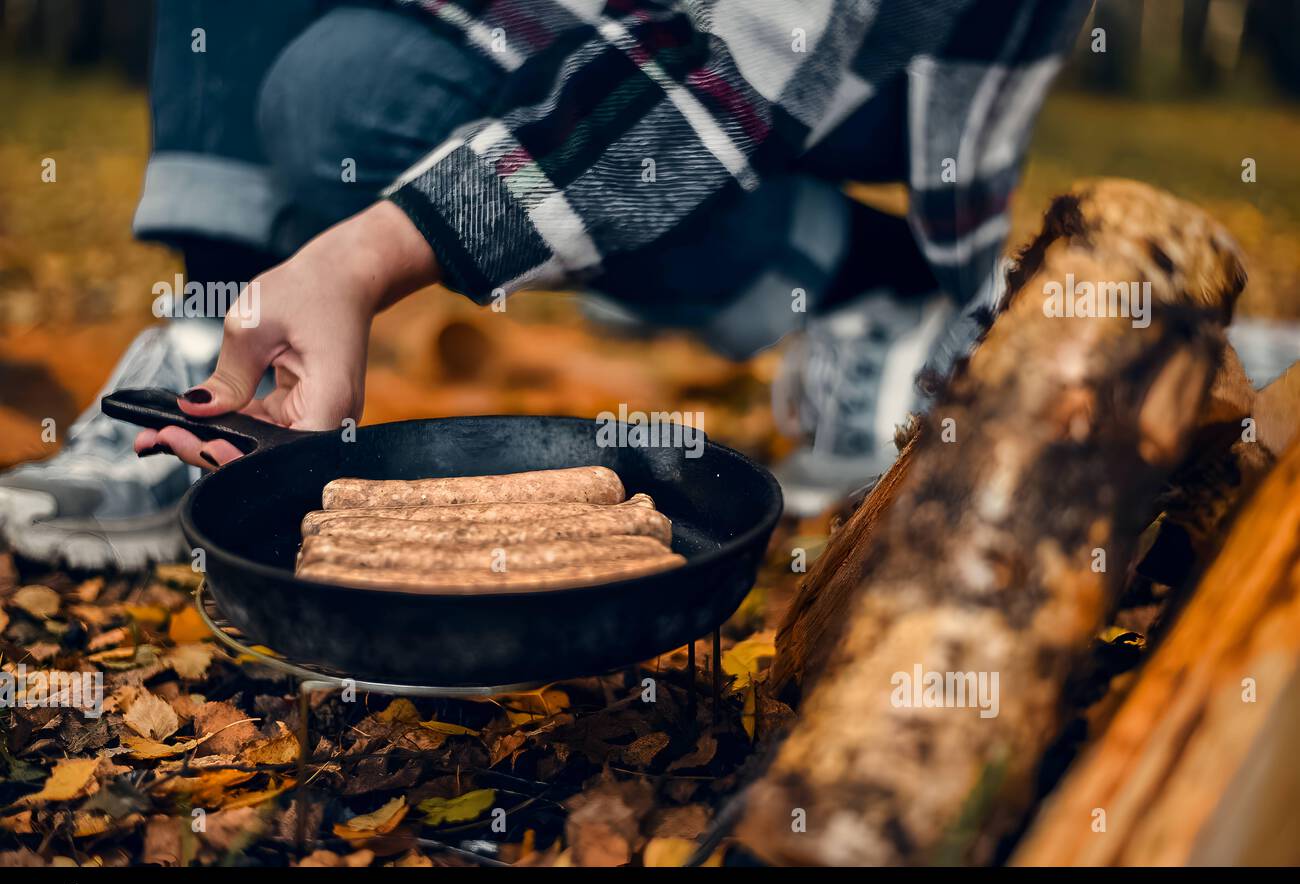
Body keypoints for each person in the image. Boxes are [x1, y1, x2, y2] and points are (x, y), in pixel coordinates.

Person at [0, 0, 1092, 570]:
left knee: (383, 108)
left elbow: (722, 72)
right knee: (339, 90)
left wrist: (367, 252)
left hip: (876, 69)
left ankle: (881, 283)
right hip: (596, 17)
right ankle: (217, 331)